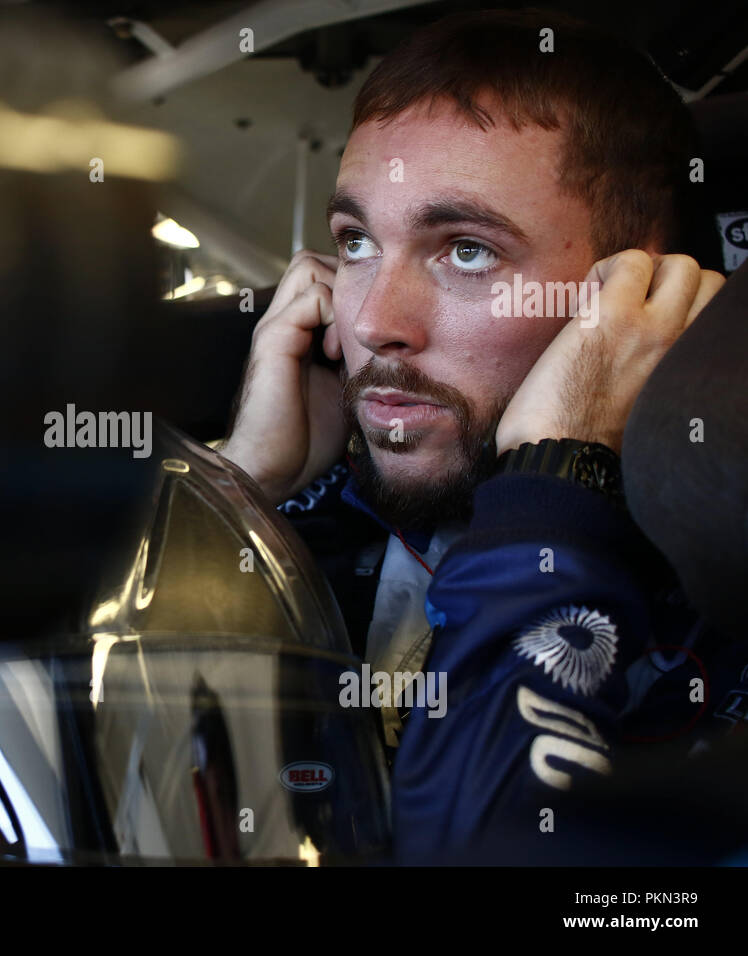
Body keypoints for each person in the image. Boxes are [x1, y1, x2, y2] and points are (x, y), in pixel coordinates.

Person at [217, 8, 739, 862]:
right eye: (355, 243)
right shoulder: (294, 519)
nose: (375, 323)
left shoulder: (727, 590)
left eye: (466, 252)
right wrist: (237, 494)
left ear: (640, 295)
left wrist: (555, 491)